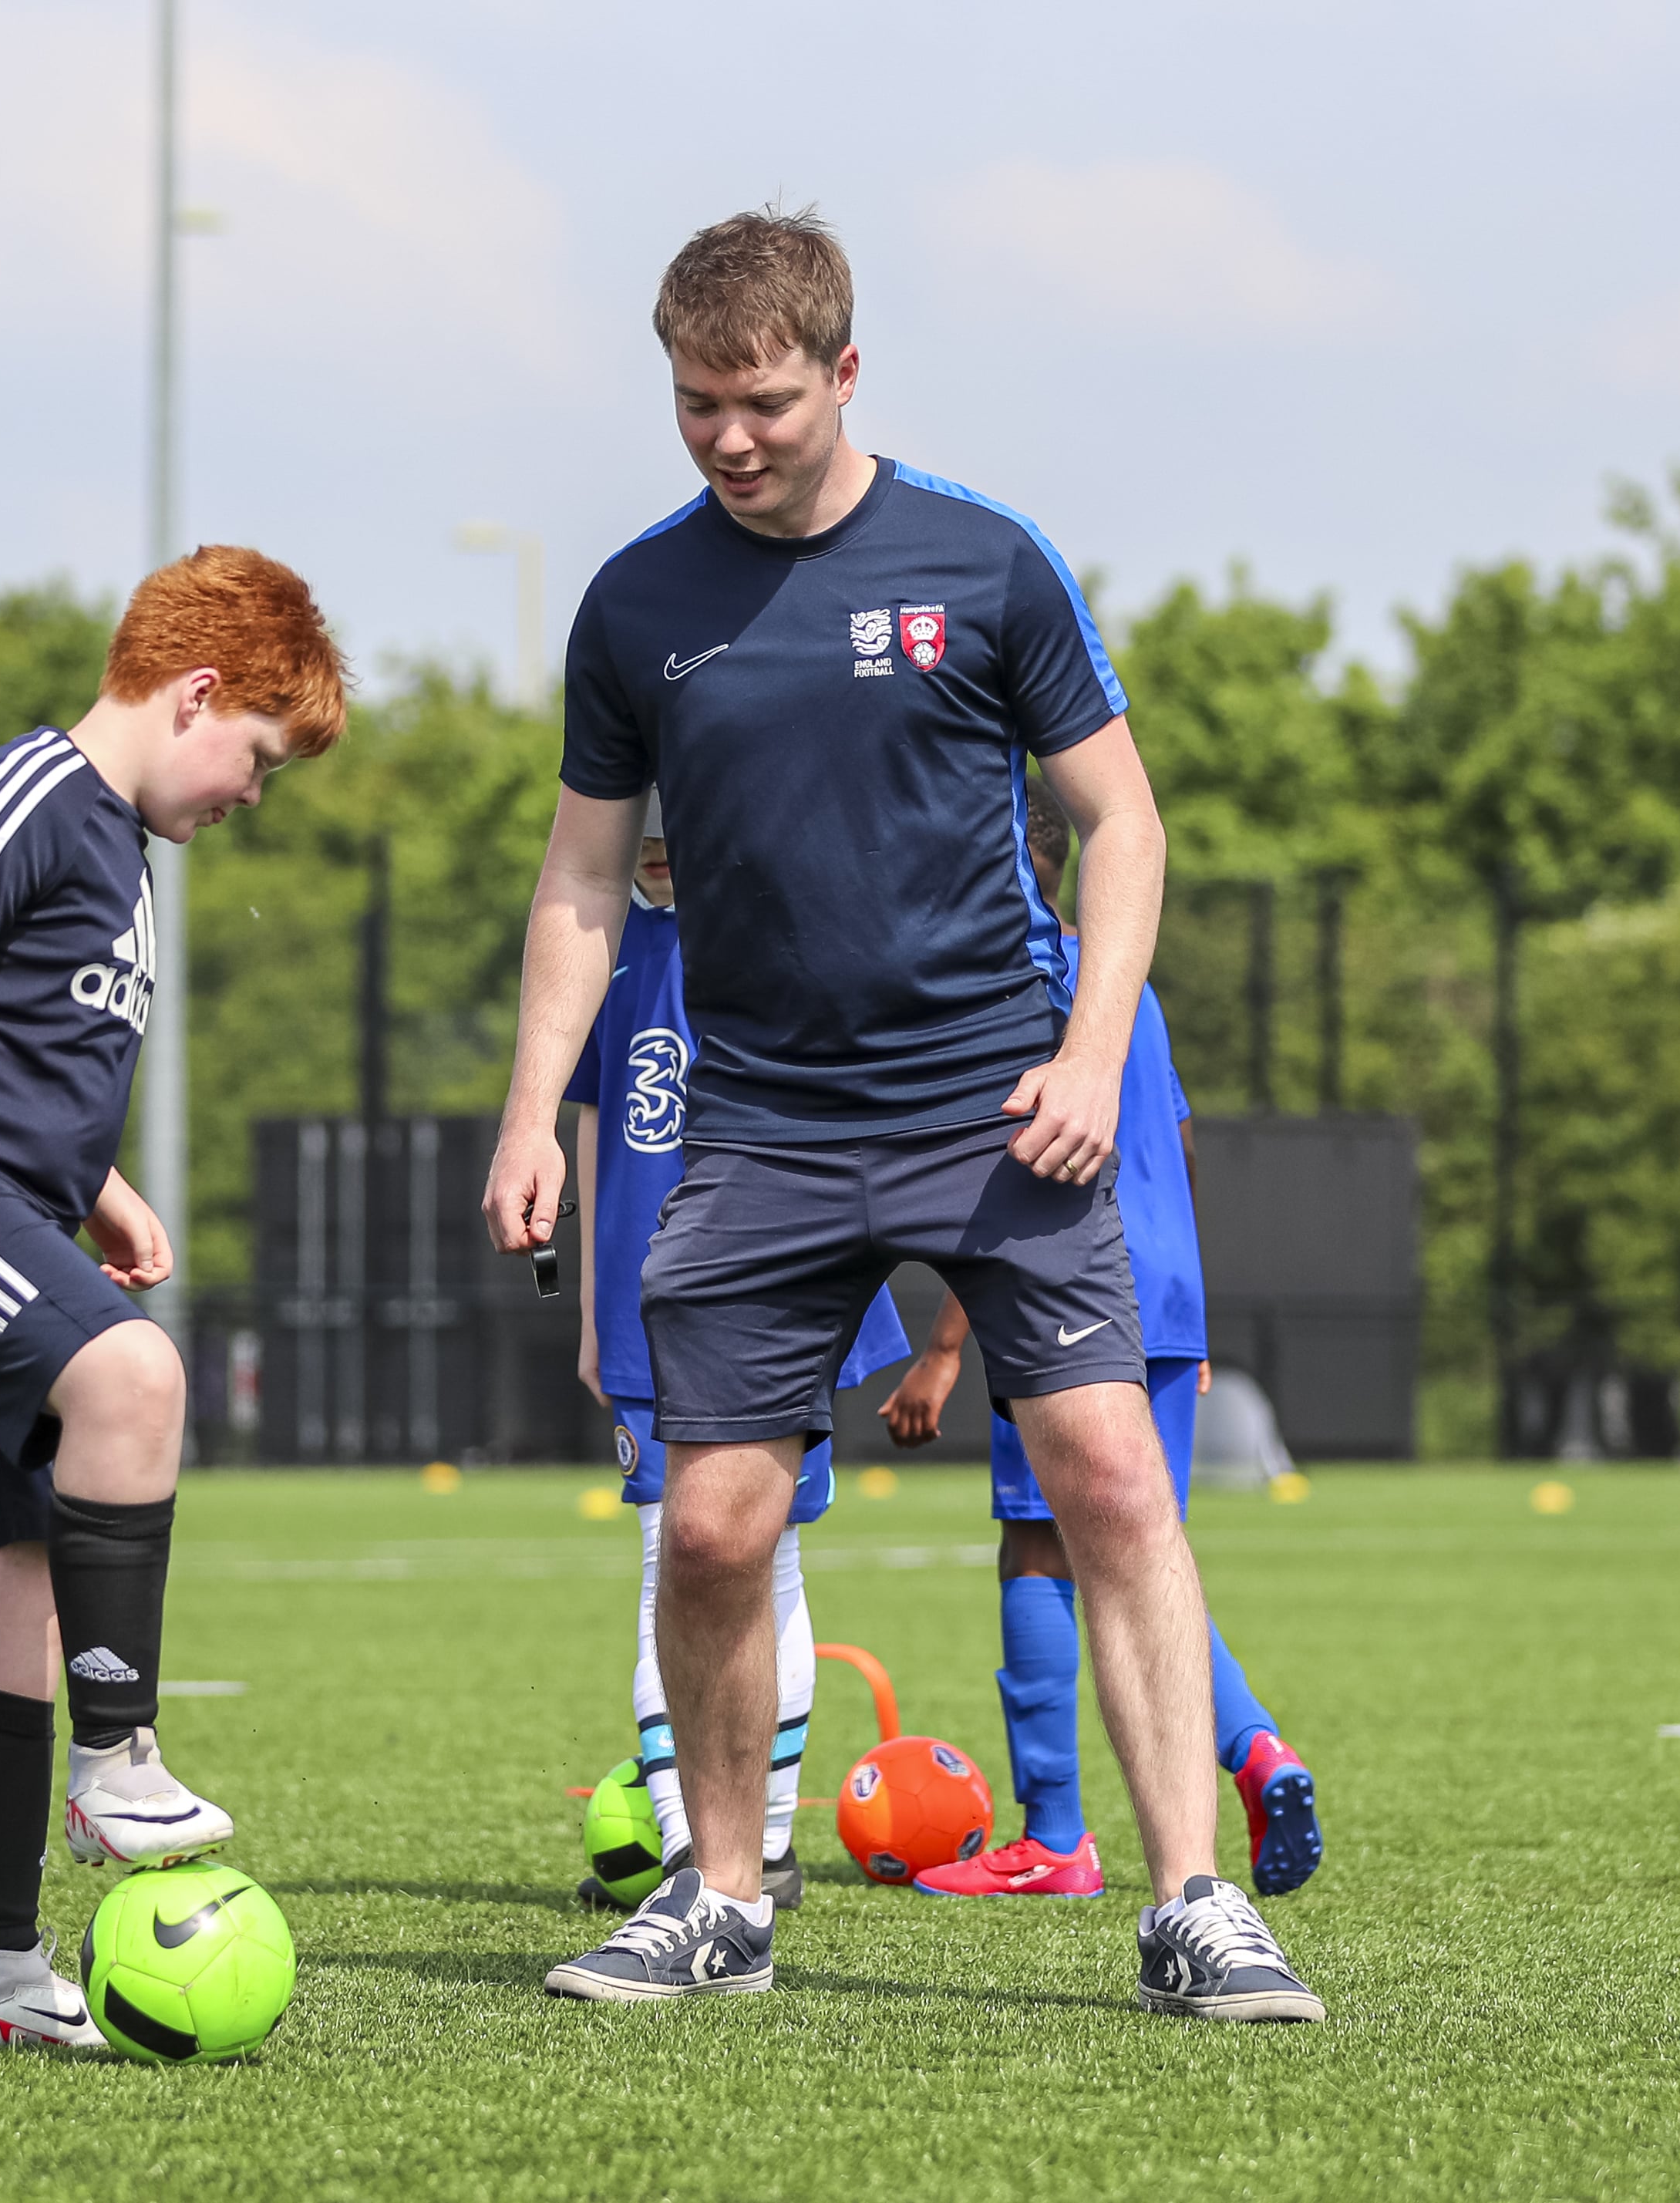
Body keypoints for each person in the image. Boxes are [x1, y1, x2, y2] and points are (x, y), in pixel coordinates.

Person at [485, 207, 1321, 2021]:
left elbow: (1124, 822)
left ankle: (1193, 1902)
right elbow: (577, 877)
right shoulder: (636, 604)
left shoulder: (985, 563)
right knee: (710, 1524)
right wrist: (529, 1110)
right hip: (759, 1126)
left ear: (844, 372)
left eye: (763, 399)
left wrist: (1091, 1051)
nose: (727, 435)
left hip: (988, 1108)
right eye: (697, 400)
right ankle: (720, 1902)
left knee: (1107, 1477)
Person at [0, 546, 348, 2053]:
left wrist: (93, 1193)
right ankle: (119, 1759)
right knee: (136, 1382)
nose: (251, 793)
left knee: (6, 1609)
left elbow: (21, 1051)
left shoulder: (122, 850)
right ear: (196, 692)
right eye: (258, 757)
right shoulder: (31, 792)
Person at [881, 795, 1322, 1900]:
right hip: (1166, 1294)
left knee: (1038, 1550)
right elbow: (1169, 1141)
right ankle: (1260, 1748)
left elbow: (1005, 1185)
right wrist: (1194, 1316)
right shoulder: (1132, 988)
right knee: (1137, 1555)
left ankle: (1056, 1836)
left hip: (1083, 1292)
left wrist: (940, 1351)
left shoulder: (1010, 993)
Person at [564, 793, 907, 1909]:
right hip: (644, 1302)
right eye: (644, 846)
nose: (656, 864)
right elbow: (586, 1116)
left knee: (743, 1559)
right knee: (689, 1554)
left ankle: (726, 1845)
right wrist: (587, 1307)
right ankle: (717, 1840)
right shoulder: (599, 947)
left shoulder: (783, 928)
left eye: (674, 842)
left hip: (778, 1286)